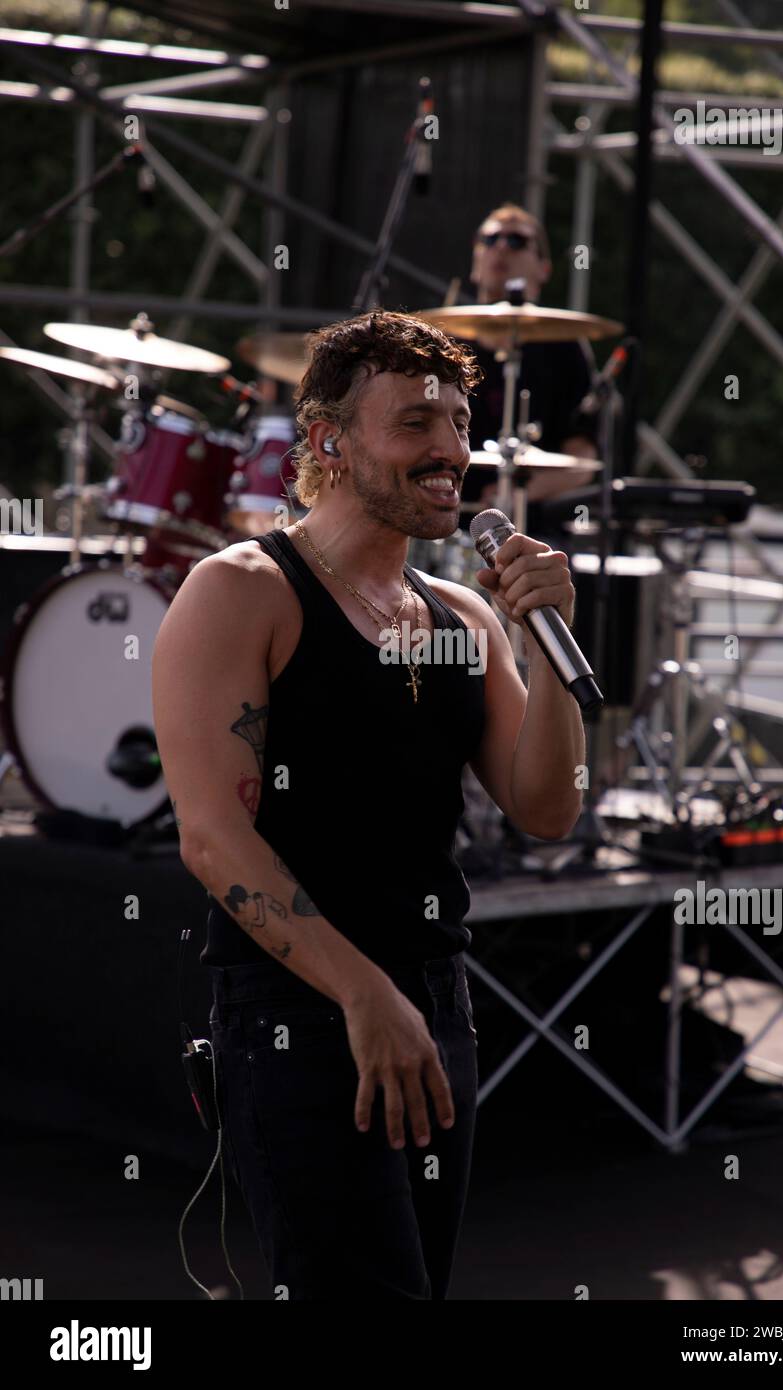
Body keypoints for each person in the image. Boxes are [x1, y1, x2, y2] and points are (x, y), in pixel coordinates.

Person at [151, 309, 585, 1300]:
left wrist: (548, 646)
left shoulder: (462, 618)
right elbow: (213, 841)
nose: (450, 453)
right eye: (415, 426)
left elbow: (547, 808)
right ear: (328, 443)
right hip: (301, 1012)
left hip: (437, 1001)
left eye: (461, 426)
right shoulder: (244, 591)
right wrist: (360, 992)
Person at [458, 202, 599, 522]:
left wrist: (518, 493)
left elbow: (582, 461)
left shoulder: (565, 348)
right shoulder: (445, 343)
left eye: (517, 241)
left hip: (535, 527)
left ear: (543, 269)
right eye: (491, 240)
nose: (502, 247)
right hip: (449, 527)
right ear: (475, 261)